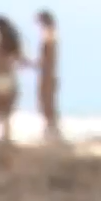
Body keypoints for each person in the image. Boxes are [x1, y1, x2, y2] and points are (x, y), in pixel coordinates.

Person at [35, 9, 62, 142]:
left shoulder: (49, 36)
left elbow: (46, 59)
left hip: (47, 75)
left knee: (47, 104)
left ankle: (53, 132)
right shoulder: (52, 35)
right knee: (48, 104)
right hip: (49, 74)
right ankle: (51, 130)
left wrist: (33, 64)